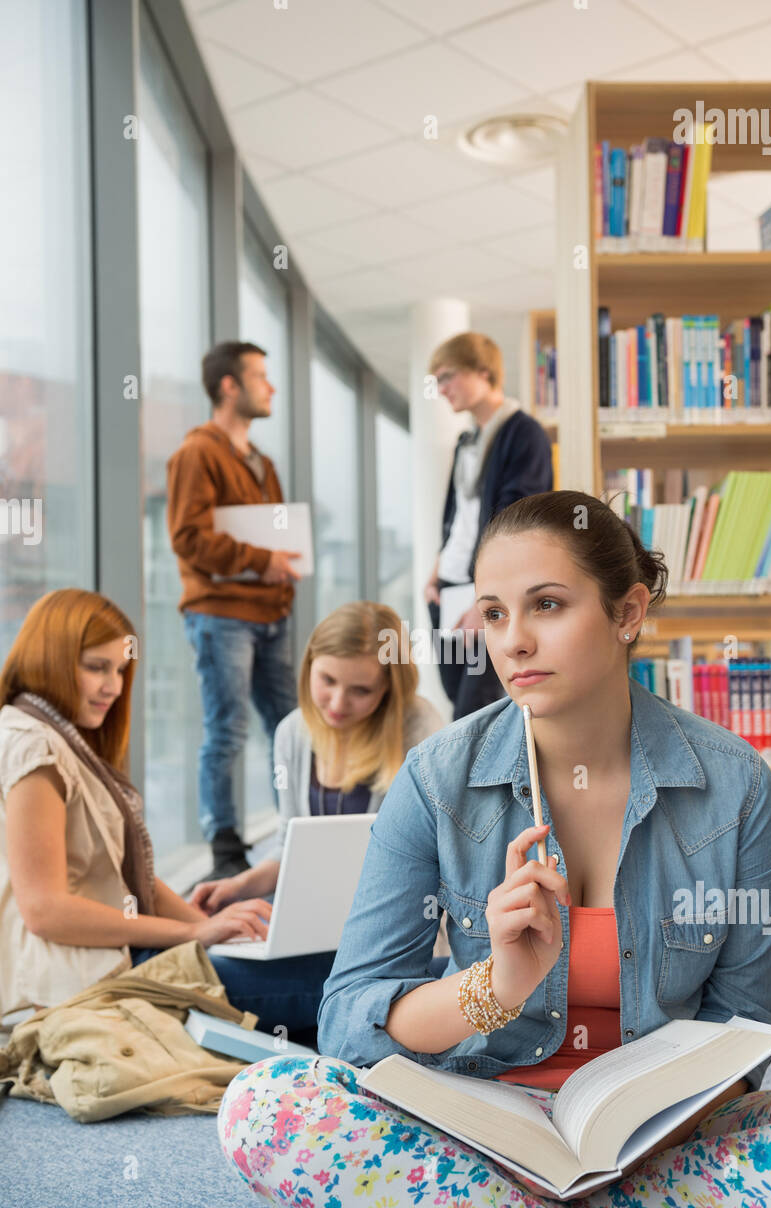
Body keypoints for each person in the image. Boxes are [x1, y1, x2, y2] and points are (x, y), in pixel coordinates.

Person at [218, 491, 771, 1208]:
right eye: (492, 614)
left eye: (547, 606)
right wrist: (494, 988)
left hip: (652, 1157)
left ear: (627, 611)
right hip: (469, 1133)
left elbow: (740, 1038)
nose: (513, 640)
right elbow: (350, 1023)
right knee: (267, 1108)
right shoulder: (436, 779)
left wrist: (632, 1147)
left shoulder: (735, 790)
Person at [0, 588, 310, 1038]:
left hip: (115, 952)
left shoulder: (56, 736)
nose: (113, 686)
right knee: (325, 981)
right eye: (96, 667)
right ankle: (447, 1000)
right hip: (85, 974)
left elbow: (131, 879)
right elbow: (45, 911)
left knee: (317, 970)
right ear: (51, 657)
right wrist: (194, 935)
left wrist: (213, 927)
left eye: (121, 670)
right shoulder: (34, 746)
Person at [191, 598, 446, 927]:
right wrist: (238, 886)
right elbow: (290, 850)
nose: (338, 703)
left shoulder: (420, 730)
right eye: (327, 680)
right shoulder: (291, 733)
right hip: (317, 918)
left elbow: (433, 858)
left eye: (361, 690)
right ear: (309, 664)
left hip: (394, 921)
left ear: (389, 688)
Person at [166, 340, 303, 880]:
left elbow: (274, 534)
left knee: (289, 727)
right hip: (222, 613)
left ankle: (293, 831)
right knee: (227, 729)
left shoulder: (262, 463)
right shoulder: (196, 454)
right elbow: (187, 537)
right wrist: (260, 559)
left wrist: (280, 563)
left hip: (272, 613)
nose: (270, 387)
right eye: (260, 376)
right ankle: (225, 850)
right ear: (230, 386)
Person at [423, 332, 552, 720]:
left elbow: (514, 527)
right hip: (446, 588)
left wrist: (488, 601)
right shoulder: (468, 440)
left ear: (483, 372)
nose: (442, 389)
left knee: (476, 710)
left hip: (481, 591)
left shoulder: (523, 434)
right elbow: (457, 518)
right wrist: (433, 574)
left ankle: (478, 784)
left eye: (448, 377)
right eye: (437, 381)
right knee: (454, 699)